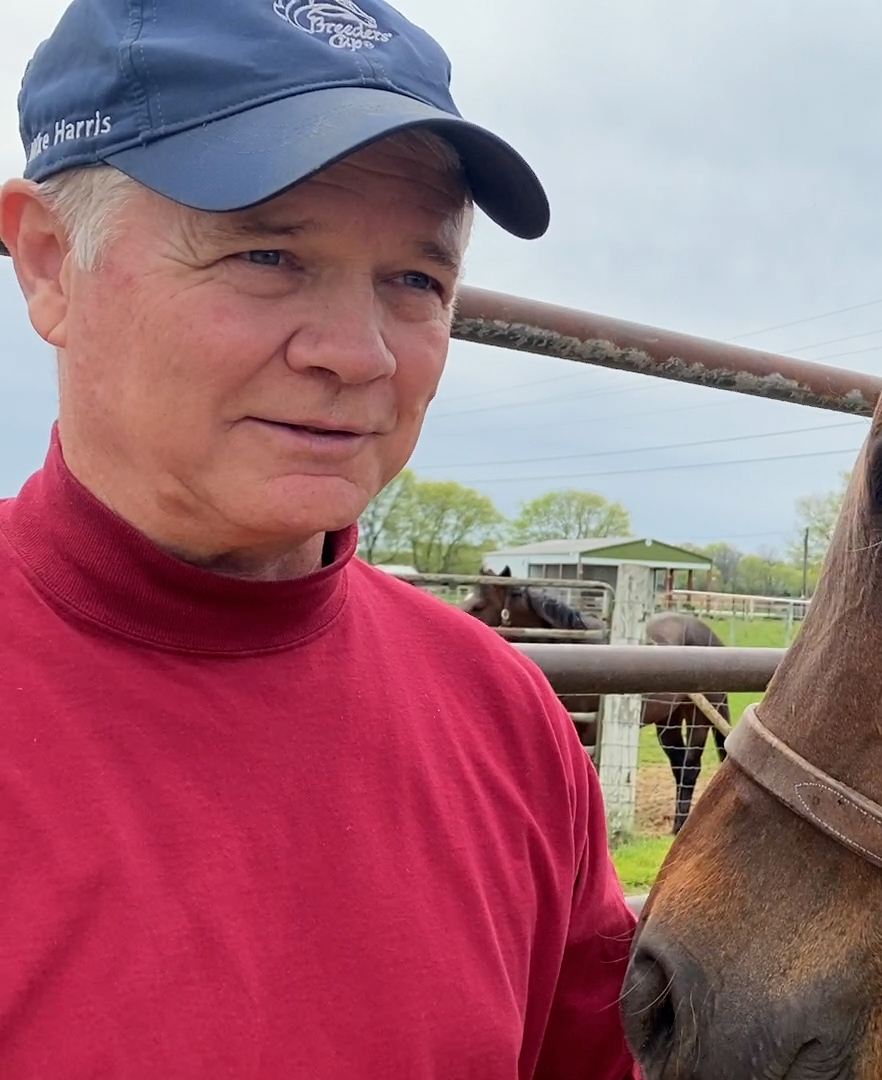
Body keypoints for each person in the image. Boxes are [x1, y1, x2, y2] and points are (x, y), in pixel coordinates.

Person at [0, 1, 637, 1076]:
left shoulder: (504, 720)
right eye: (265, 253)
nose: (360, 354)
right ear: (52, 263)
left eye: (416, 281)